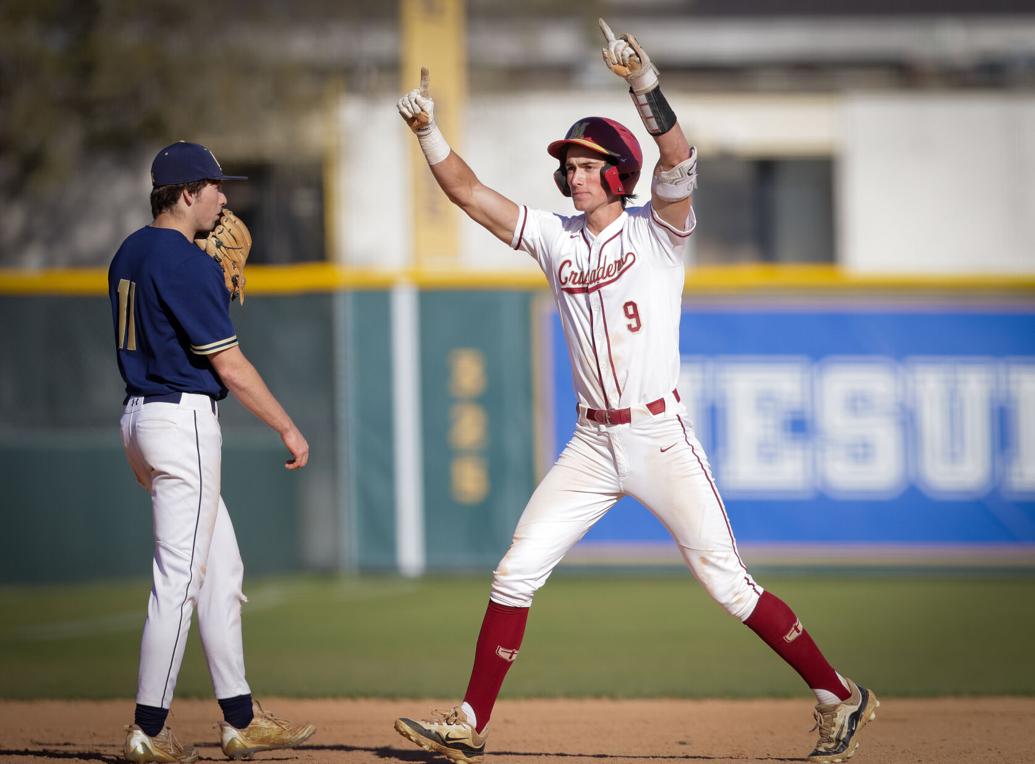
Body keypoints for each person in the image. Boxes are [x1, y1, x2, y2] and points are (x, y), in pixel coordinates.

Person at [393, 19, 878, 764]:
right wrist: (427, 132)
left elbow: (677, 156)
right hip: (591, 442)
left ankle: (838, 696)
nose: (574, 173)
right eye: (570, 165)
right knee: (515, 570)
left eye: (587, 163)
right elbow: (468, 194)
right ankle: (468, 721)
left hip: (659, 437)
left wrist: (643, 87)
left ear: (617, 172)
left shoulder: (660, 229)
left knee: (727, 586)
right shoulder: (554, 237)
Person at [109, 141, 316, 763]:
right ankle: (149, 728)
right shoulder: (187, 263)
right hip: (182, 422)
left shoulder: (131, 250)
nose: (225, 199)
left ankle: (241, 719)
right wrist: (288, 427)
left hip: (139, 421)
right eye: (215, 187)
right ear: (186, 192)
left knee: (220, 571)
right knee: (178, 582)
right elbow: (228, 364)